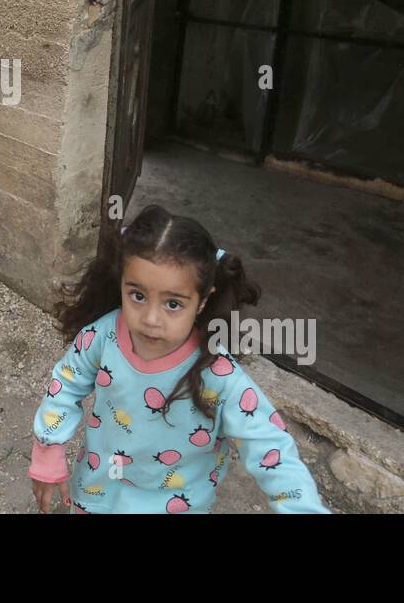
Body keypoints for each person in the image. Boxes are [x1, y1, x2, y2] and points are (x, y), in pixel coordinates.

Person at [27, 205, 329, 513]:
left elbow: (272, 449)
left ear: (203, 301)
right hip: (99, 492)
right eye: (138, 296)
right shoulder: (102, 336)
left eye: (173, 303)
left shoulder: (218, 374)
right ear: (122, 285)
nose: (151, 319)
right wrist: (48, 448)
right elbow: (66, 381)